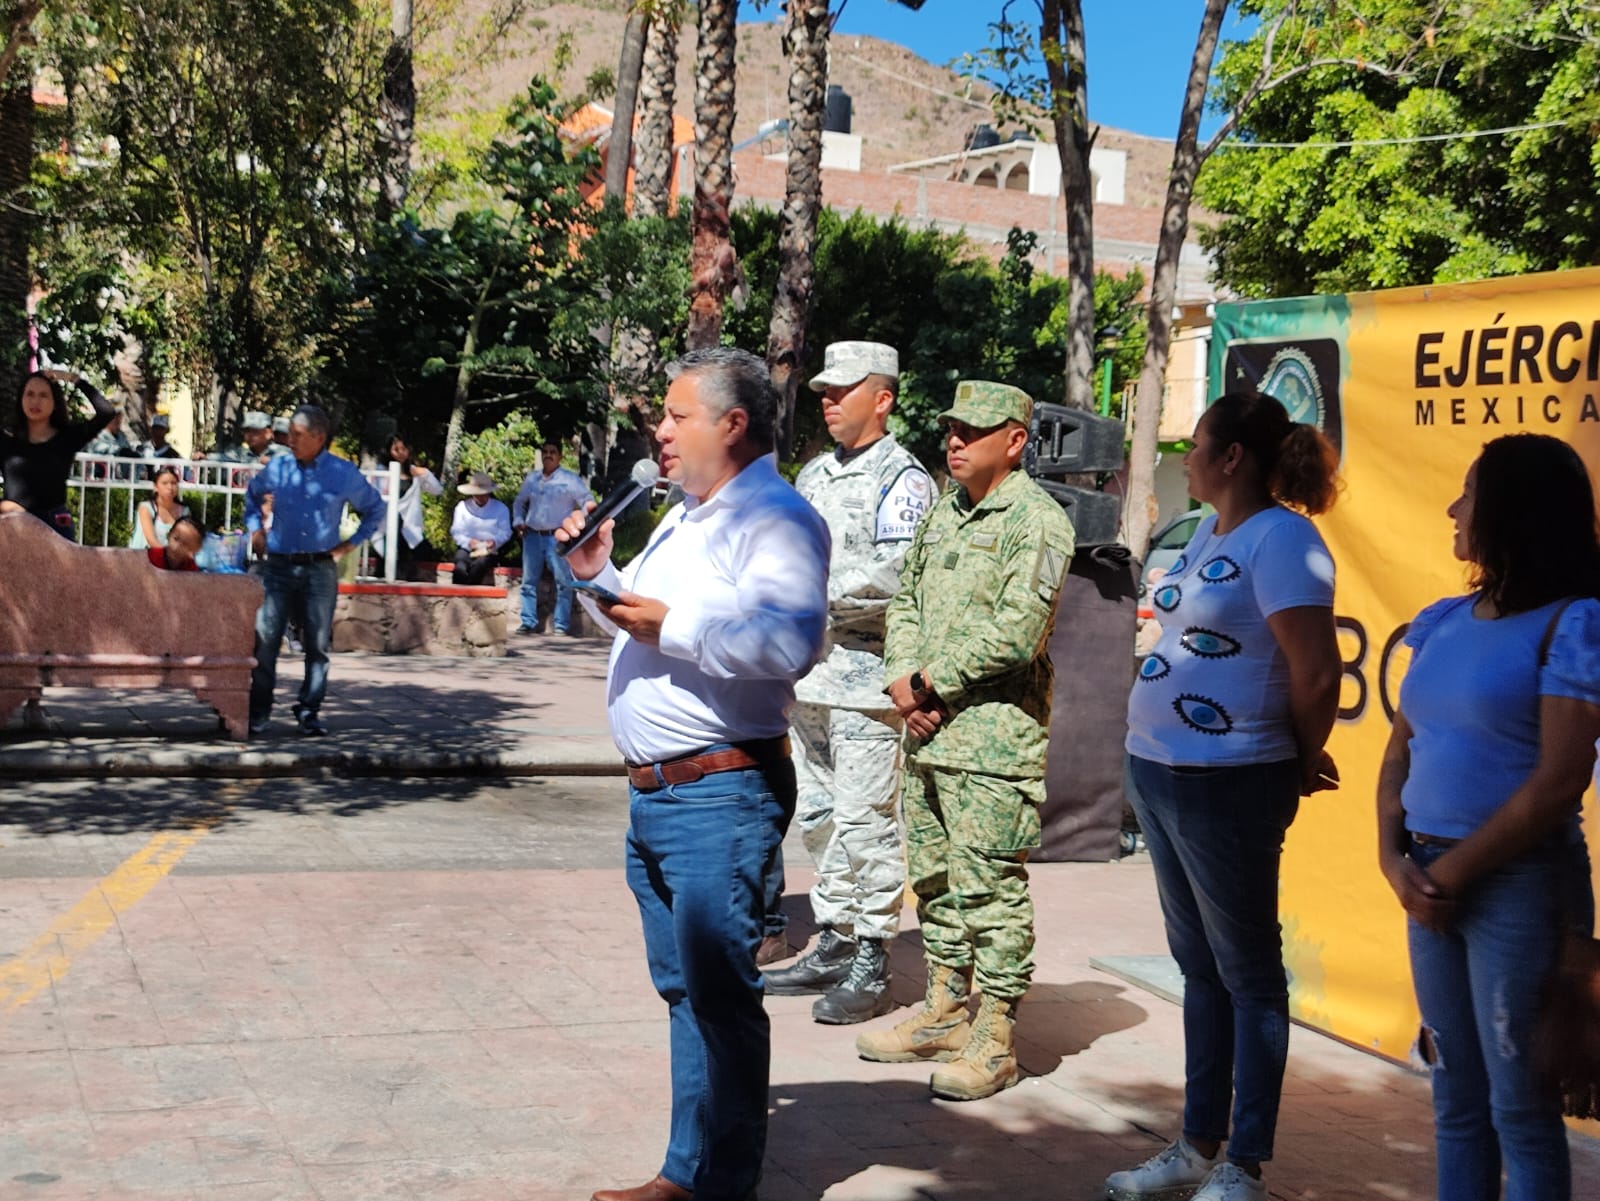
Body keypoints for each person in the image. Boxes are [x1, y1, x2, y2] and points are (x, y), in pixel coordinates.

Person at [558, 346, 829, 1201]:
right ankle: (686, 1173)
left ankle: (724, 1185)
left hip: (721, 792)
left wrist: (668, 625)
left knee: (721, 998)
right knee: (686, 992)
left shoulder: (777, 518)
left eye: (677, 416)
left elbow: (790, 643)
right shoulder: (686, 515)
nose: (661, 432)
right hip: (662, 796)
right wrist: (601, 576)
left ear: (732, 423)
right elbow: (647, 625)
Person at [1108, 390, 1342, 1201]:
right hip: (1161, 772)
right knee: (1198, 966)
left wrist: (1303, 760)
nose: (1191, 456)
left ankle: (1244, 1159)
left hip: (1231, 779)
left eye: (1199, 443)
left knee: (1247, 973)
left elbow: (1316, 671)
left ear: (1232, 456)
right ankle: (1196, 1144)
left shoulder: (1285, 539)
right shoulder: (1212, 527)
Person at [1376, 433, 1600, 1201]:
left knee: (1521, 1110)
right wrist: (1392, 858)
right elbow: (1401, 747)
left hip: (1517, 887)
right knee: (1455, 1100)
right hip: (1429, 880)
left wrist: (1446, 876)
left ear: (1513, 509)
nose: (1452, 508)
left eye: (1469, 492)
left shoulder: (1576, 622)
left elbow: (1560, 780)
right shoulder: (1444, 618)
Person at [854, 380, 1076, 1102]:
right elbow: (907, 600)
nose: (954, 441)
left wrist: (928, 684)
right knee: (937, 883)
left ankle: (998, 1036)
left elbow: (1017, 630)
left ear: (1015, 440)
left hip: (989, 742)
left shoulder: (1037, 520)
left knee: (990, 890)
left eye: (973, 431)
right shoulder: (945, 513)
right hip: (927, 733)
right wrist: (902, 682)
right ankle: (946, 1010)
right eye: (951, 428)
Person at [762, 341, 935, 1023]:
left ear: (882, 398)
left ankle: (873, 952)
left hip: (867, 685)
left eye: (843, 391)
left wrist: (810, 593)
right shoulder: (814, 475)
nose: (829, 401)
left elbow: (899, 578)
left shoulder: (906, 478)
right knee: (820, 816)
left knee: (867, 821)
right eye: (825, 392)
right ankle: (833, 934)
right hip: (811, 680)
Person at [243, 404, 384, 737]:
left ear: (319, 437)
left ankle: (309, 711)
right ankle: (258, 712)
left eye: (297, 435)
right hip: (277, 566)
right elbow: (252, 495)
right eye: (289, 433)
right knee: (265, 641)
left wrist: (350, 545)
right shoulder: (279, 468)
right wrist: (256, 529)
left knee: (317, 645)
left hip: (320, 569)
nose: (289, 440)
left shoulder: (343, 473)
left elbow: (375, 509)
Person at [0, 368, 116, 540]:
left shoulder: (68, 438)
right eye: (30, 394)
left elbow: (106, 411)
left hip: (54, 526)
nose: (35, 401)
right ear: (21, 399)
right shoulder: (7, 440)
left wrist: (71, 378)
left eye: (43, 395)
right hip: (12, 526)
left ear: (55, 402)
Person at [511, 440, 592, 634]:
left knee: (563, 582)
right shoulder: (532, 479)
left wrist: (579, 524)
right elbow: (519, 502)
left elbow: (588, 501)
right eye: (545, 452)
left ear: (560, 456)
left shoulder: (570, 479)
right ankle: (528, 622)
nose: (548, 455)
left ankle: (561, 626)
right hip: (532, 536)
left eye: (552, 452)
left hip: (558, 538)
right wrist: (518, 521)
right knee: (528, 582)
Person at [376, 435, 443, 581]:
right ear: (389, 451)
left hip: (410, 526)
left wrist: (425, 474)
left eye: (403, 449)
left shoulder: (415, 473)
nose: (400, 453)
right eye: (396, 449)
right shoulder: (382, 471)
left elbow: (437, 490)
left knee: (420, 553)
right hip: (386, 525)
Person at [450, 471, 512, 586]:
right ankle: (457, 594)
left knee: (481, 564)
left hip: (489, 551)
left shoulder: (501, 508)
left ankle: (472, 594)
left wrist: (494, 542)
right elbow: (456, 531)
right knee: (460, 564)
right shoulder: (462, 507)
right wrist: (468, 542)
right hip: (467, 548)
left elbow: (506, 532)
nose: (480, 497)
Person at [128, 465, 191, 550]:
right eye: (165, 483)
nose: (170, 487)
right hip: (145, 557)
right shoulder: (146, 508)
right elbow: (151, 540)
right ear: (155, 487)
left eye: (173, 483)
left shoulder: (184, 511)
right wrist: (166, 557)